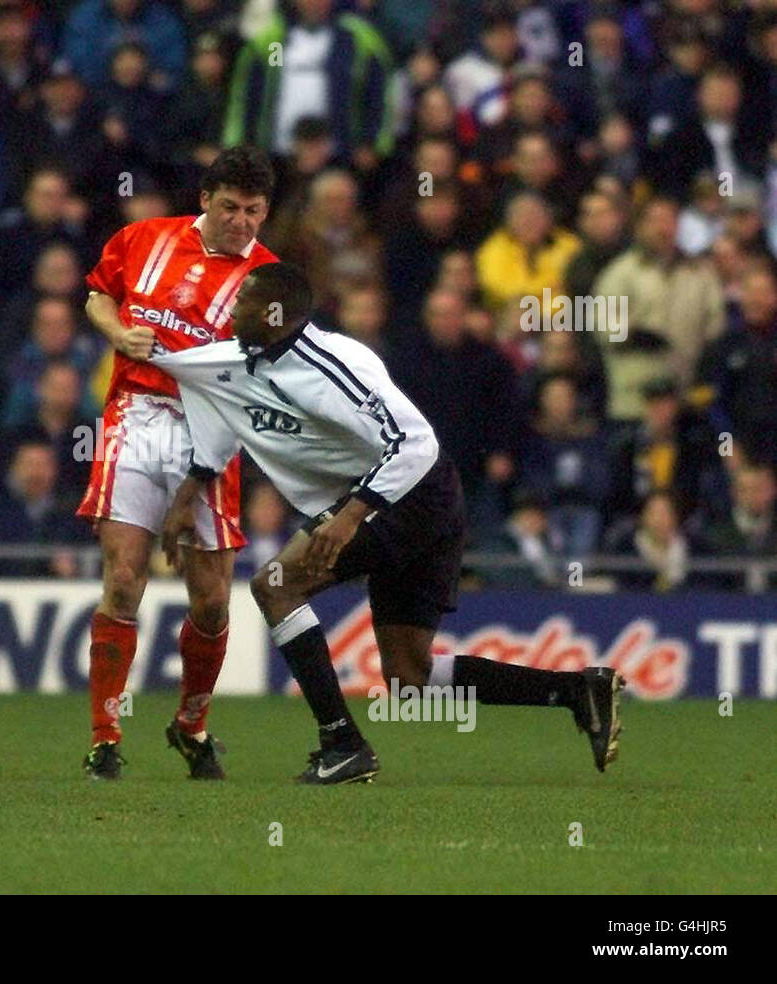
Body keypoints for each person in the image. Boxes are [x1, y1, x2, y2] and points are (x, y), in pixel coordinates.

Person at [156, 263, 625, 784]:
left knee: (277, 586)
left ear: (273, 313)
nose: (231, 308)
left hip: (410, 494)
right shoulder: (250, 361)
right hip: (412, 496)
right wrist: (189, 490)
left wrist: (349, 515)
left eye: (242, 298)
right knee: (410, 678)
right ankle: (578, 692)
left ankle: (341, 741)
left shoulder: (332, 366)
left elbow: (416, 441)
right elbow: (225, 415)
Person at [77, 145, 278, 780]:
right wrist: (116, 334)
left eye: (252, 211)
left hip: (211, 432)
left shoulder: (270, 281)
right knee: (124, 579)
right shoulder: (143, 239)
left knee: (213, 600)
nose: (241, 222)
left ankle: (191, 724)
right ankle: (105, 737)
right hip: (135, 416)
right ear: (204, 201)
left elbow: (264, 377)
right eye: (229, 208)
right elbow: (94, 297)